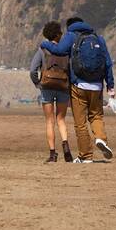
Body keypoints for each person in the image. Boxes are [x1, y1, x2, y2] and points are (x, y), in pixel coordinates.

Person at [39, 16, 116, 163]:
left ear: (70, 26)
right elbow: (108, 63)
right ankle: (101, 138)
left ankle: (85, 156)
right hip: (97, 86)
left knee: (80, 122)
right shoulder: (98, 38)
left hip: (78, 85)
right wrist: (110, 86)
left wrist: (44, 44)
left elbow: (60, 50)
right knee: (96, 116)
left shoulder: (71, 35)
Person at [30, 21, 73, 163]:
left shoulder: (42, 50)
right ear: (58, 34)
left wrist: (38, 83)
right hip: (63, 86)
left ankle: (53, 154)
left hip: (47, 87)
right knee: (61, 120)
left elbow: (32, 70)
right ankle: (66, 145)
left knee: (50, 121)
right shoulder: (66, 50)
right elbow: (71, 69)